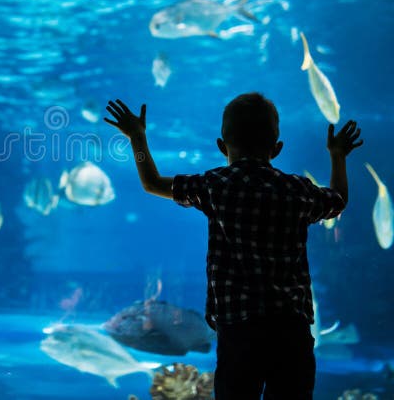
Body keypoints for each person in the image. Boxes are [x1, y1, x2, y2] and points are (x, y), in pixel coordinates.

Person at [103, 93, 363, 399]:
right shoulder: (297, 190)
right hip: (290, 329)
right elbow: (338, 201)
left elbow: (152, 182)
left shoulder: (216, 185)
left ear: (222, 146)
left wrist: (137, 137)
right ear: (277, 149)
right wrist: (338, 156)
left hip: (238, 329)